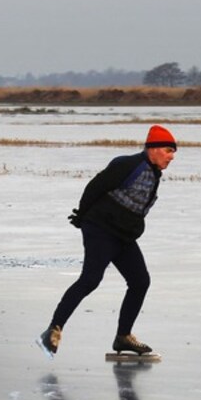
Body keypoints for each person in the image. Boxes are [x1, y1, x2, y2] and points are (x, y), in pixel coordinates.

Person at [37, 125, 177, 357]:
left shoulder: (154, 175)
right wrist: (81, 215)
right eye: (168, 150)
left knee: (140, 281)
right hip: (100, 230)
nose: (171, 157)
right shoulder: (128, 165)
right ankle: (53, 330)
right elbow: (96, 186)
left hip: (123, 236)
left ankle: (123, 337)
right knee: (90, 279)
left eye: (173, 152)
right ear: (152, 149)